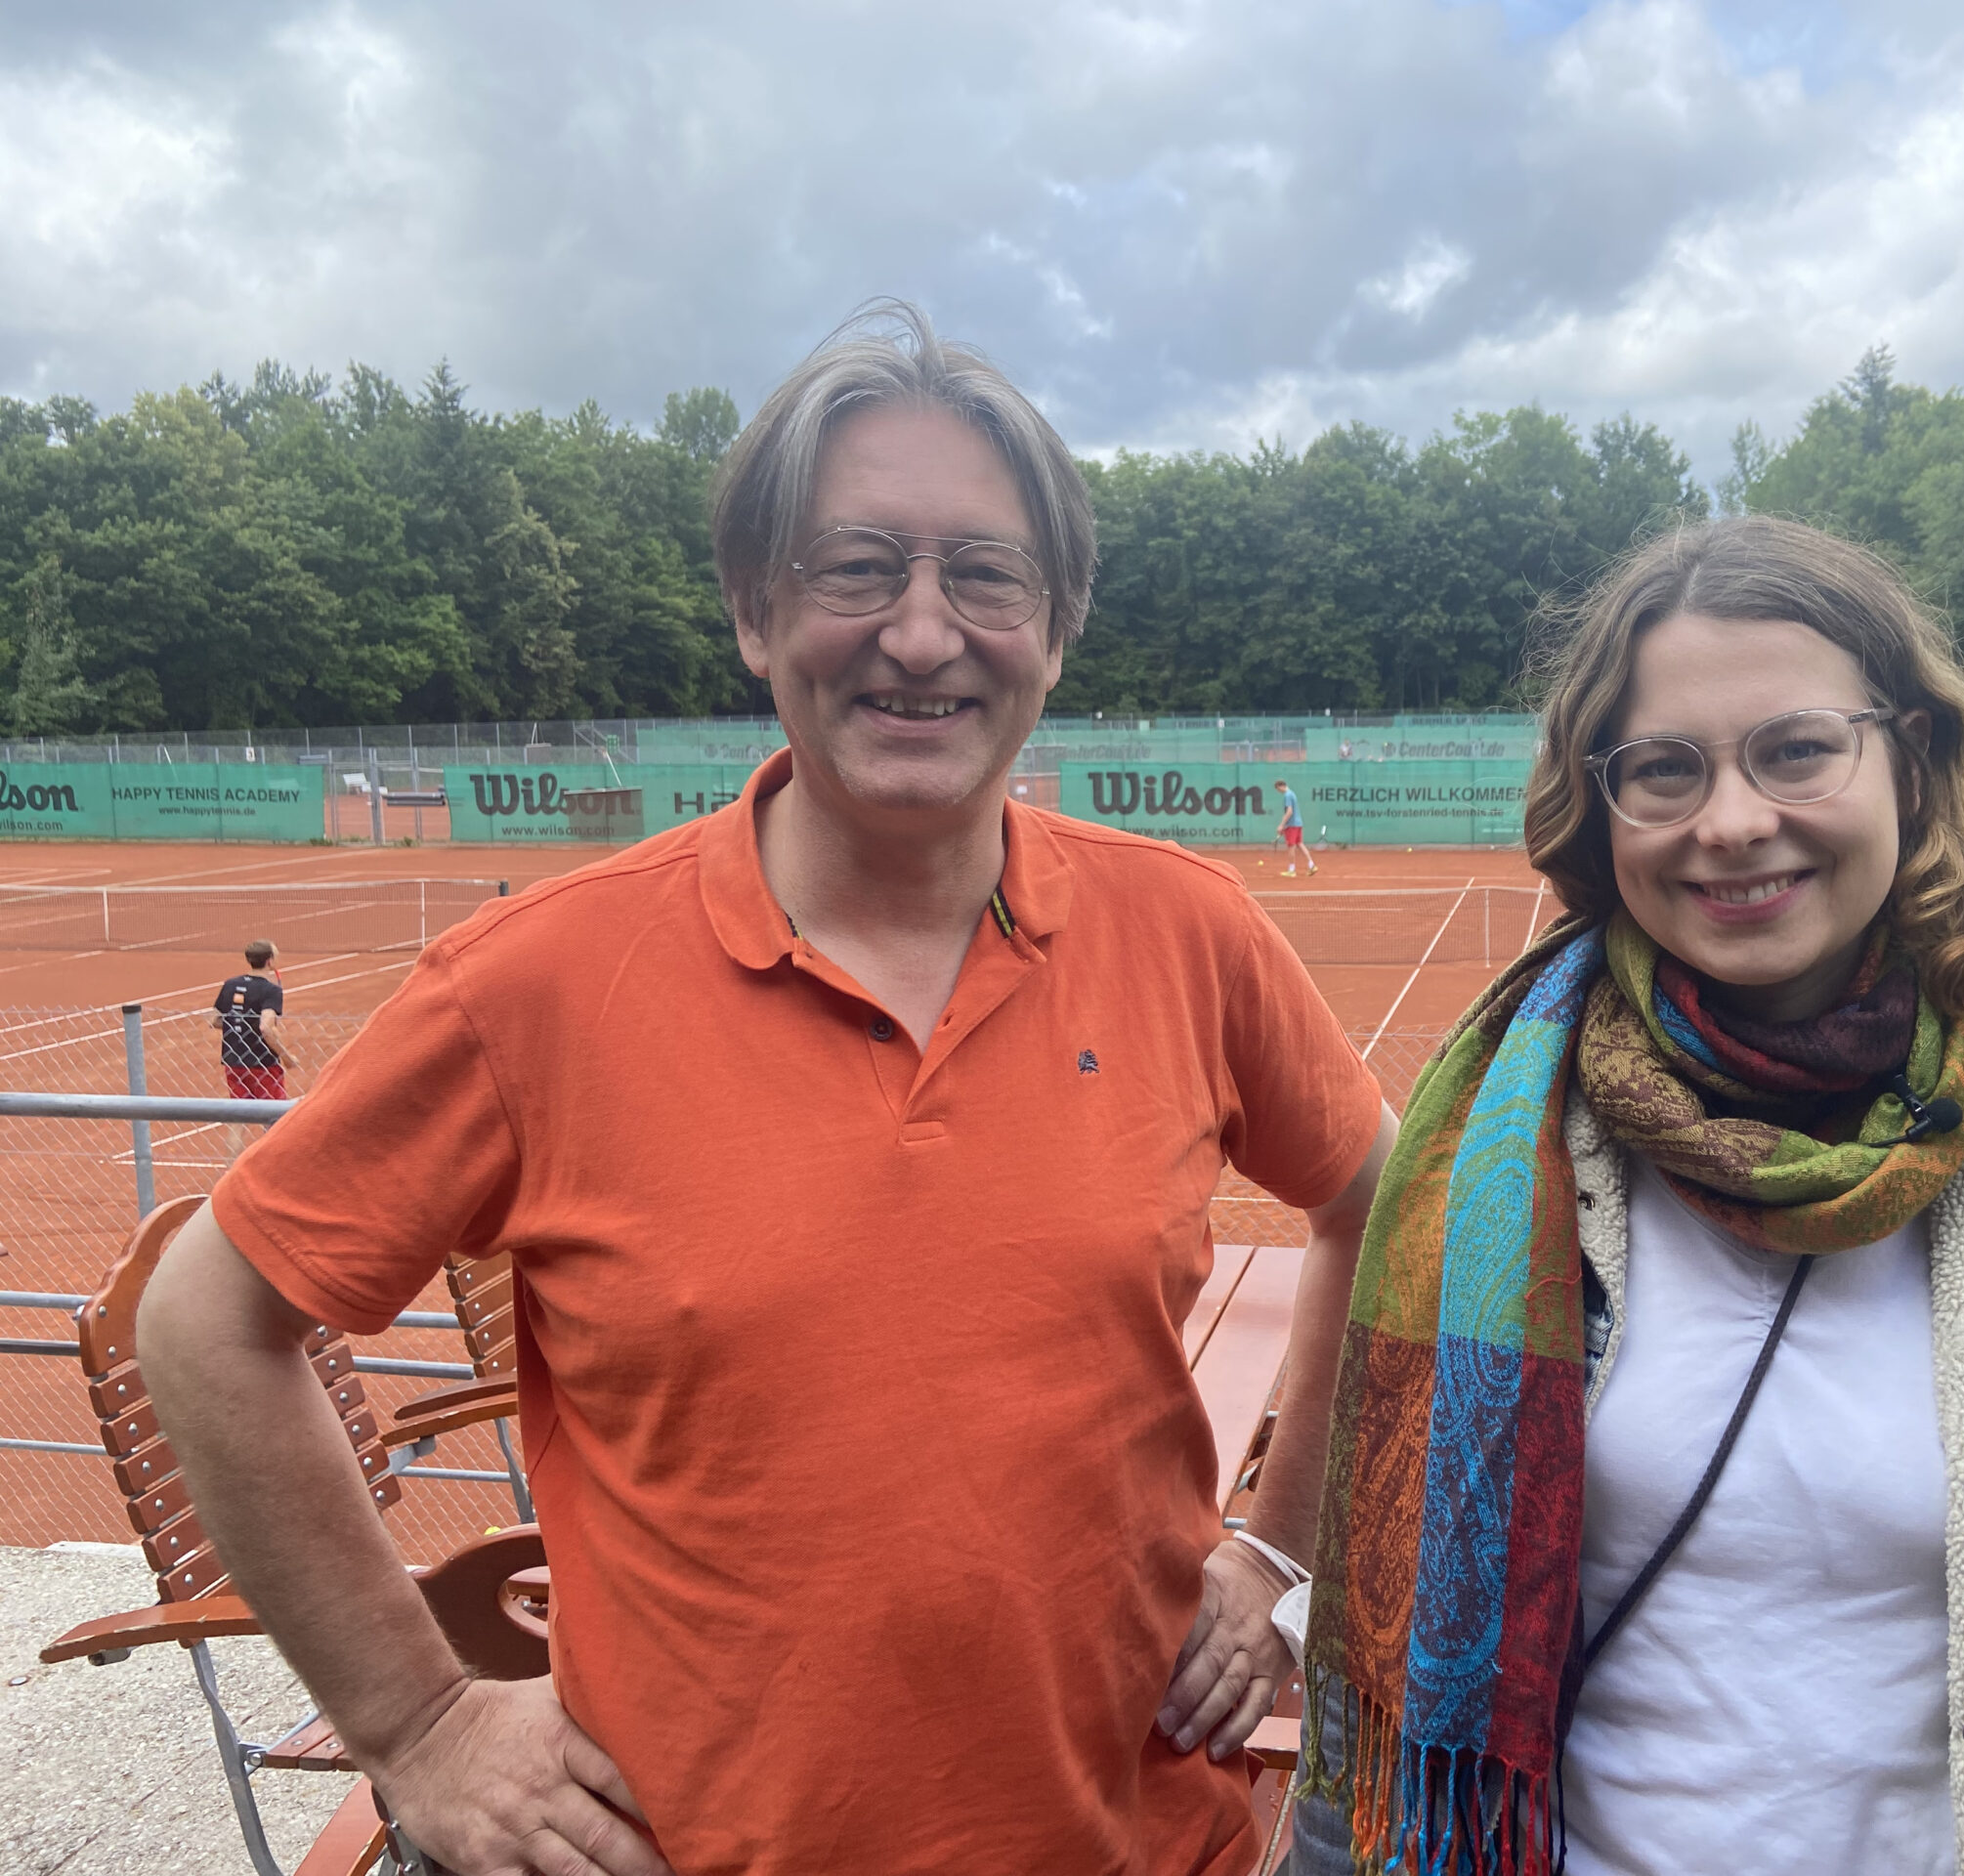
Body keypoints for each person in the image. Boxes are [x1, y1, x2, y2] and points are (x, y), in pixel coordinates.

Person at [137, 302, 1395, 1876]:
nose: (923, 633)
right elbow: (205, 1323)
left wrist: (1276, 1544)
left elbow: (1384, 1200)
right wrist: (420, 1723)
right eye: (856, 568)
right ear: (753, 610)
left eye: (984, 574)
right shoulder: (533, 982)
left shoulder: (1187, 930)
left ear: (1058, 624)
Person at [1292, 517, 1964, 1875]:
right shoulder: (1488, 1151)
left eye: (1798, 748)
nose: (1733, 820)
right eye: (1665, 768)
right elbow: (1377, 1671)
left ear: (1915, 762)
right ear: (1603, 806)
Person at [210, 939, 288, 1153]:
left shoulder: (230, 984)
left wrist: (239, 1026)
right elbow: (266, 1028)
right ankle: (271, 1171)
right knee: (275, 1121)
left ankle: (231, 1174)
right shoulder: (271, 991)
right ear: (270, 962)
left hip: (234, 1061)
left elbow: (216, 1020)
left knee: (237, 1123)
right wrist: (287, 1057)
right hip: (263, 1064)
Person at [1276, 777, 1317, 876]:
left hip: (1292, 825)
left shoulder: (1287, 795)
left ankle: (1291, 870)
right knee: (1300, 844)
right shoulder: (1292, 793)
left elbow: (1289, 812)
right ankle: (1312, 865)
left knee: (1291, 847)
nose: (1278, 791)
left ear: (1281, 786)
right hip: (1298, 824)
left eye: (1278, 789)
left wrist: (1281, 825)